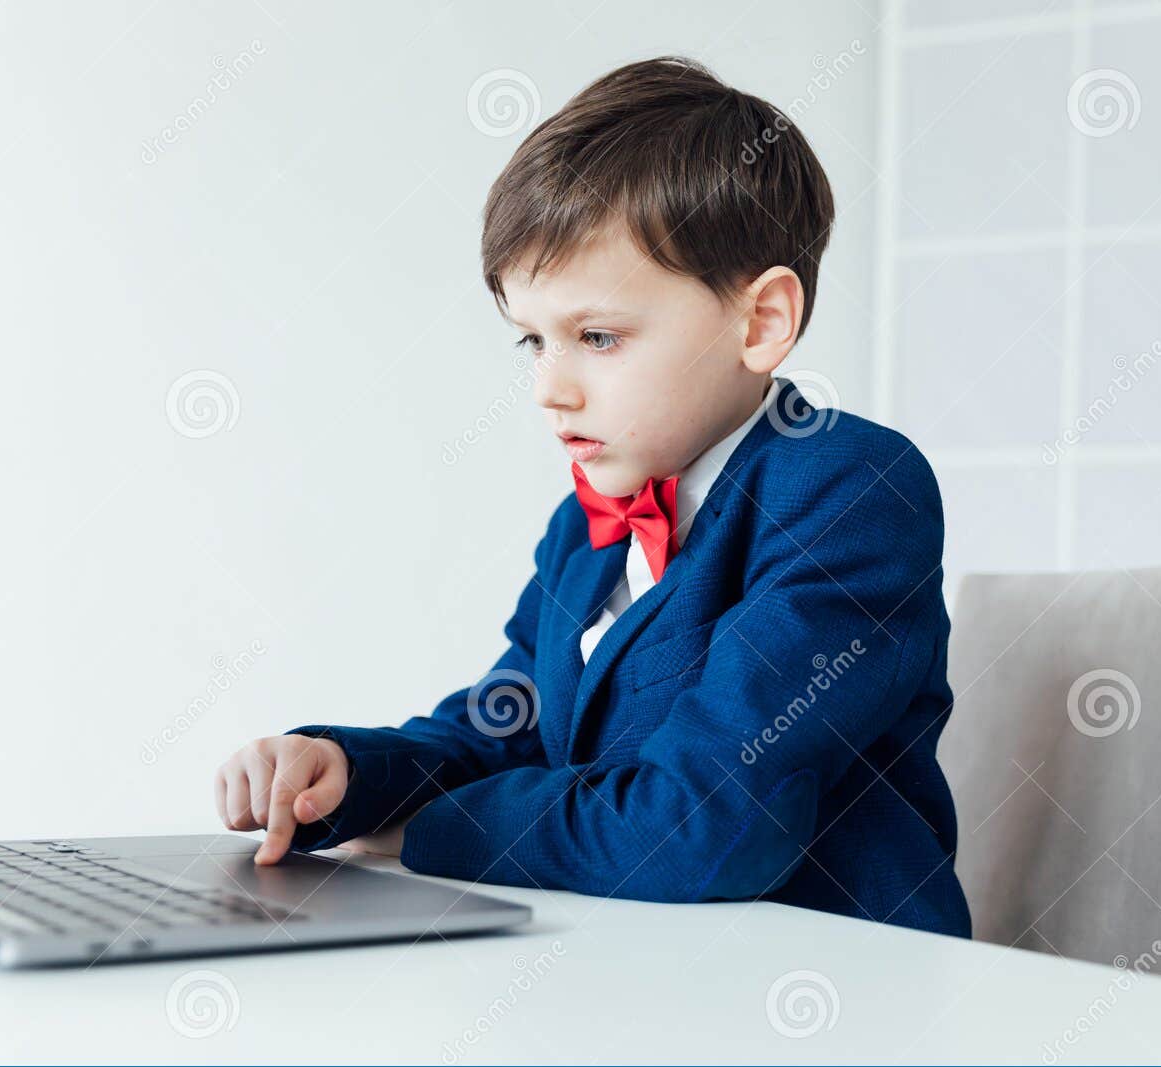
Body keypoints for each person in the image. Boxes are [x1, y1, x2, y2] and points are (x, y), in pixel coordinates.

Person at [213, 56, 970, 936]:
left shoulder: (849, 488)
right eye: (532, 340)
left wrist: (423, 831)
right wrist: (348, 777)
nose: (548, 389)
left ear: (760, 322)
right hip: (639, 967)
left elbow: (705, 827)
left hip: (836, 1004)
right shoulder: (586, 524)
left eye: (599, 336)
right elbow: (505, 728)